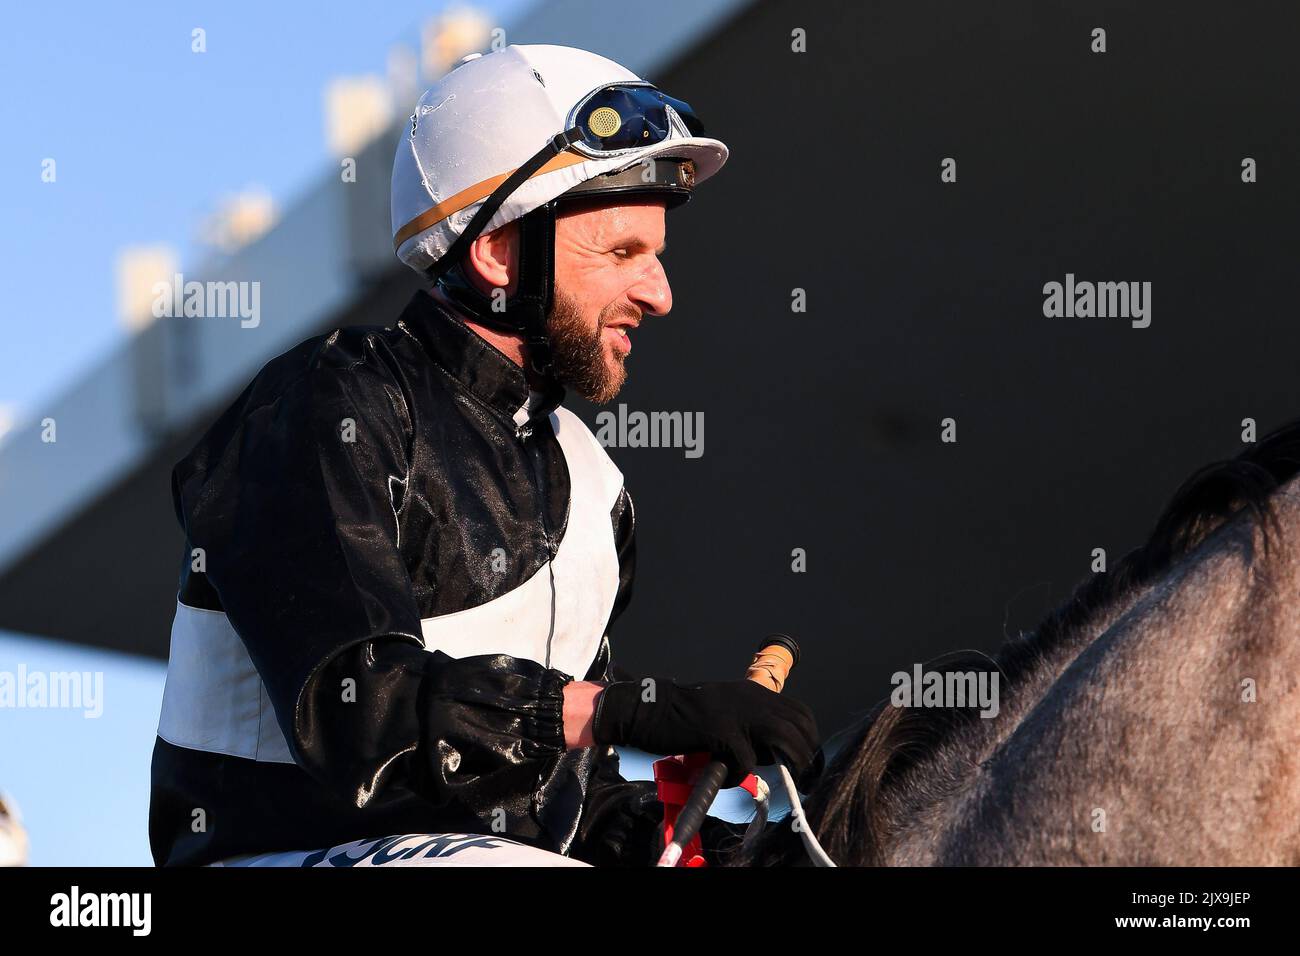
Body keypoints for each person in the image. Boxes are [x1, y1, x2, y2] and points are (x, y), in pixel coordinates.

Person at [149, 43, 819, 868]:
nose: (660, 294)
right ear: (500, 252)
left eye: (658, 258)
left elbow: (569, 800)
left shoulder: (596, 481)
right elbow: (362, 715)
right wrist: (631, 711)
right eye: (621, 254)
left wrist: (707, 835)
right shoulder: (327, 403)